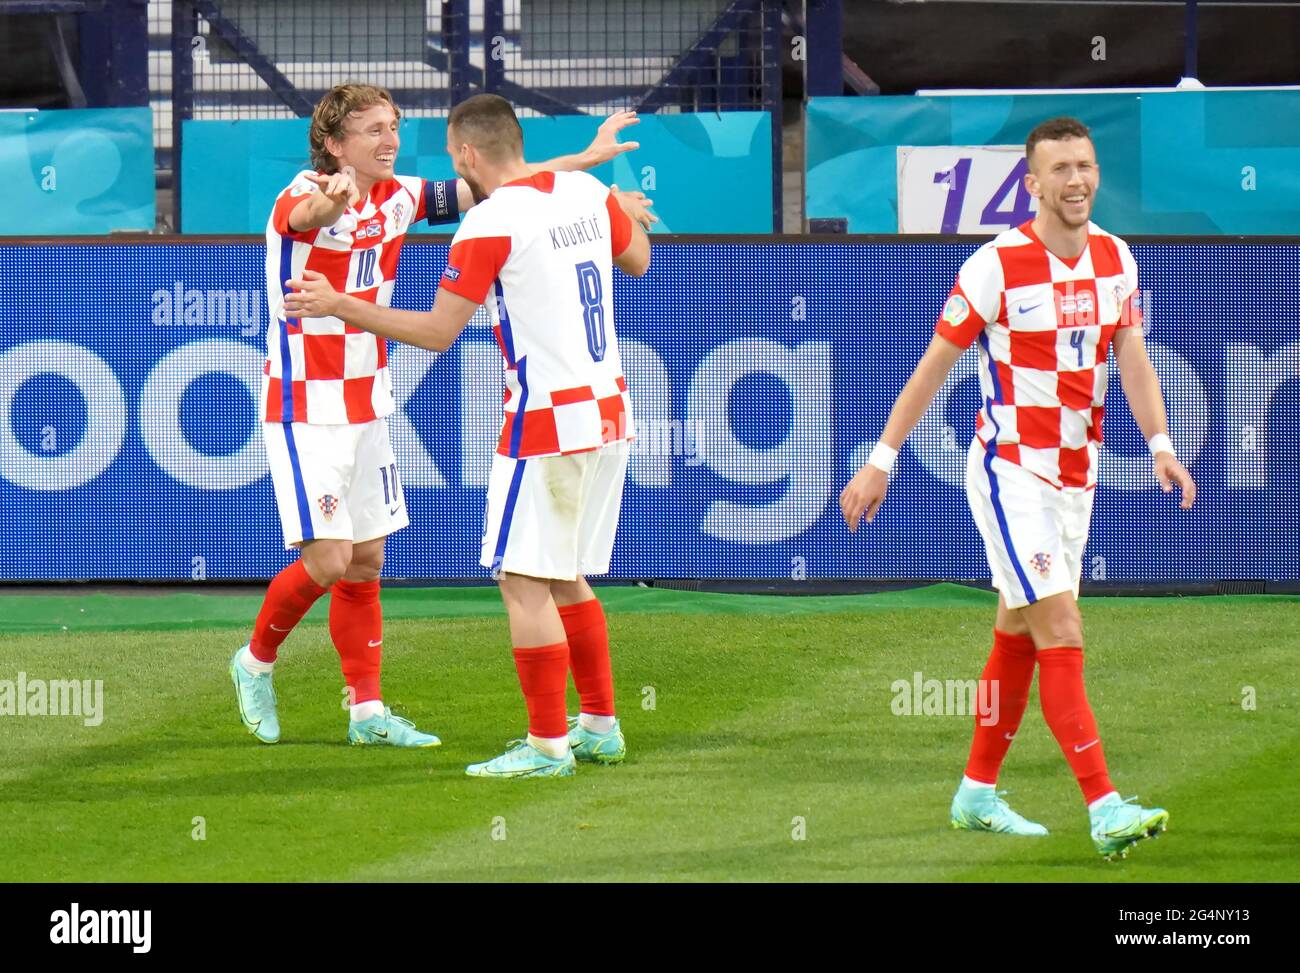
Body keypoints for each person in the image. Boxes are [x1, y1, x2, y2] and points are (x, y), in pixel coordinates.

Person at [231, 82, 649, 748]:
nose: (389, 140)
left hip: (369, 400)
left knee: (366, 560)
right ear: (334, 143)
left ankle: (366, 712)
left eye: (393, 127)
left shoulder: (400, 196)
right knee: (330, 559)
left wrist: (590, 164)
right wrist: (326, 200)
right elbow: (303, 217)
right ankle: (255, 661)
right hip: (305, 403)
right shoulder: (301, 193)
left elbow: (506, 181)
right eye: (371, 130)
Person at [839, 117, 1197, 859]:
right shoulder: (995, 265)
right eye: (1060, 168)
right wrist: (882, 457)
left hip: (1077, 476)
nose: (1077, 180)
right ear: (1031, 183)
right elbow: (934, 363)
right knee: (1062, 631)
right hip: (1011, 474)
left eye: (1086, 166)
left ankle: (975, 790)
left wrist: (1160, 444)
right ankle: (1104, 806)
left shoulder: (1117, 258)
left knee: (1018, 633)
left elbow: (1131, 354)